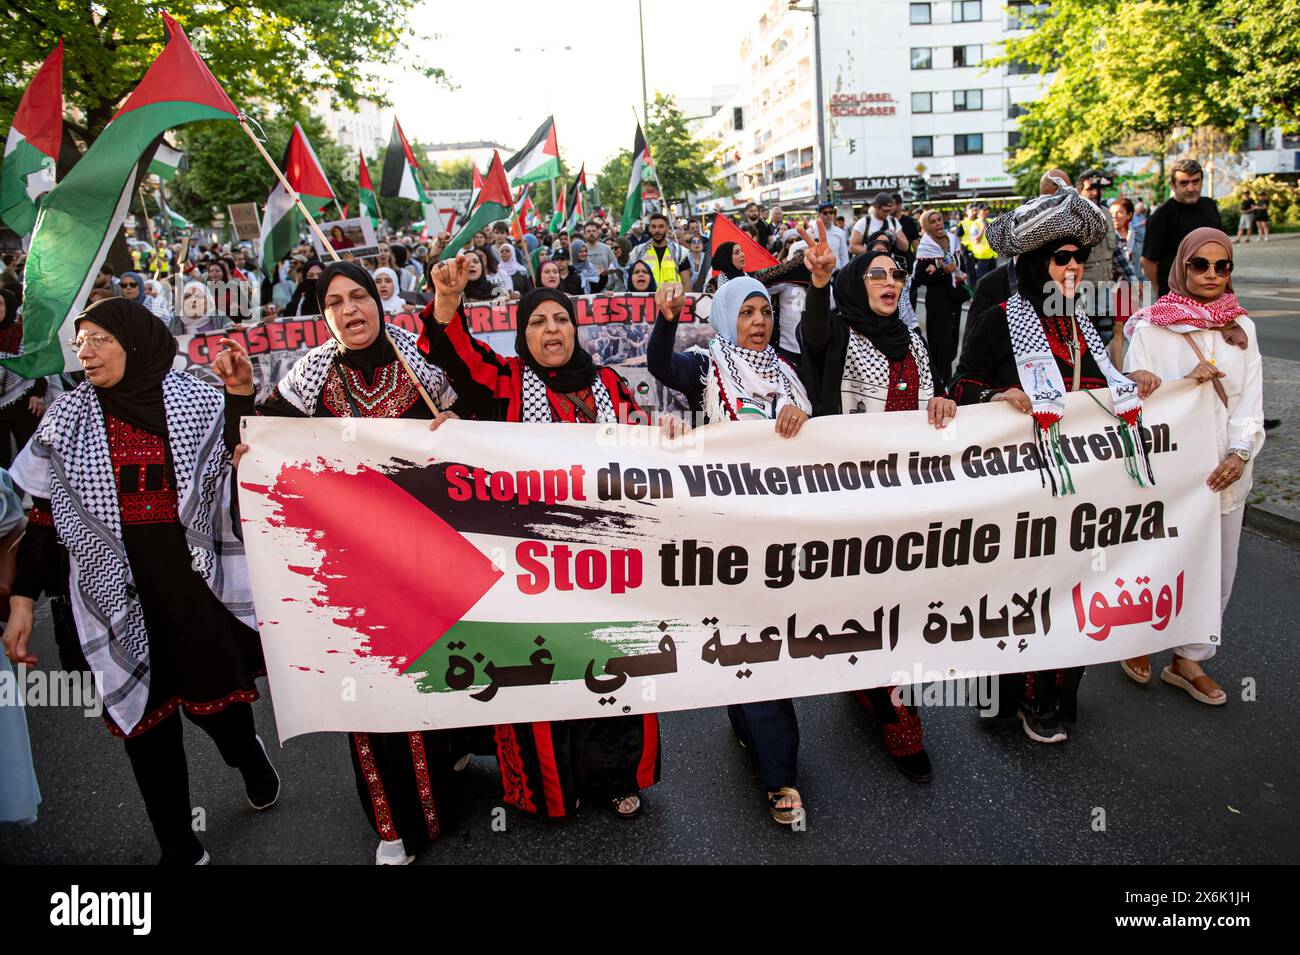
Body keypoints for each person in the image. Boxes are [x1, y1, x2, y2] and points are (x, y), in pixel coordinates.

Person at [5, 298, 277, 865]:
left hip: (190, 590)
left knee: (217, 709)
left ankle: (247, 757)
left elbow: (240, 454)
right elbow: (43, 516)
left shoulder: (195, 397)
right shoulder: (66, 419)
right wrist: (24, 601)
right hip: (110, 596)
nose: (85, 351)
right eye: (80, 341)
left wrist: (241, 396)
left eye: (100, 338)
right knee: (144, 725)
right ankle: (178, 844)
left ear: (135, 340)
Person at [214, 262, 462, 865]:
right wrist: (241, 400)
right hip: (349, 563)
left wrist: (457, 427)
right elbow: (258, 444)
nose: (351, 310)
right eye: (334, 302)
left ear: (380, 300)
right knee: (370, 695)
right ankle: (391, 826)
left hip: (427, 554)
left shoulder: (421, 366)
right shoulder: (309, 376)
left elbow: (476, 424)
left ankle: (439, 798)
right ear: (322, 314)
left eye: (360, 296)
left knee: (430, 678)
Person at [419, 256, 661, 821]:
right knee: (546, 670)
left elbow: (642, 448)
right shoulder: (506, 383)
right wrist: (448, 302)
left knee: (610, 665)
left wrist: (661, 432)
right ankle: (557, 785)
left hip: (605, 562)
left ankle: (615, 777)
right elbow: (458, 357)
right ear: (523, 335)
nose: (551, 330)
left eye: (560, 319)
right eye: (537, 322)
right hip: (530, 566)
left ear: (575, 329)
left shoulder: (609, 384)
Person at [948, 183, 1162, 744]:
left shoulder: (1083, 323)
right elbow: (962, 383)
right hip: (1021, 491)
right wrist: (993, 398)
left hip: (1081, 488)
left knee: (1074, 588)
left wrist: (1133, 383)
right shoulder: (998, 318)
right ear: (1040, 262)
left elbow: (1102, 388)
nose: (1073, 267)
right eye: (1061, 258)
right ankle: (1019, 697)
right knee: (1026, 593)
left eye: (1078, 258)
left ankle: (1051, 691)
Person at [647, 276, 811, 824]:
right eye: (747, 313)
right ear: (723, 319)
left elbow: (819, 439)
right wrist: (667, 320)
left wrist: (801, 418)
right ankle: (777, 768)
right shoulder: (706, 367)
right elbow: (660, 367)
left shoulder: (789, 373)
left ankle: (766, 749)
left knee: (764, 644)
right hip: (726, 535)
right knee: (750, 642)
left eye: (765, 312)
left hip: (782, 532)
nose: (759, 322)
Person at [795, 230, 955, 783]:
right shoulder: (839, 328)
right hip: (855, 501)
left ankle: (872, 686)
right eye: (877, 274)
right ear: (854, 286)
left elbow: (938, 396)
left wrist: (943, 400)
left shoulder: (913, 338)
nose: (891, 282)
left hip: (914, 500)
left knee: (905, 603)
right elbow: (813, 336)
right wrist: (819, 285)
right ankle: (896, 715)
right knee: (869, 602)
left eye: (895, 274)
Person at [1119, 228, 1263, 705]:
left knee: (1218, 568)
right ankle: (1135, 639)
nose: (1212, 275)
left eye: (1223, 266)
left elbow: (1249, 402)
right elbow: (1133, 404)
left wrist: (1240, 453)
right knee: (1156, 560)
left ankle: (1188, 658)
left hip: (1225, 473)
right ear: (1183, 266)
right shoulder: (1151, 328)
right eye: (1201, 264)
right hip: (1169, 473)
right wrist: (1184, 381)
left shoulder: (1241, 326)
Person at [1141, 159, 1222, 296]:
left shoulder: (1210, 206)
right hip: (1176, 293)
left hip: (1212, 289)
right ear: (1173, 185)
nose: (1191, 188)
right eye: (1184, 183)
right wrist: (1159, 290)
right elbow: (1148, 261)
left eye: (1195, 182)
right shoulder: (1161, 216)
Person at [913, 209, 969, 384]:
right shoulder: (925, 247)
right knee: (940, 342)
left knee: (952, 341)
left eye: (939, 220)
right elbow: (920, 276)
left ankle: (945, 376)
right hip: (937, 300)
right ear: (926, 226)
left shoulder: (953, 241)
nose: (938, 224)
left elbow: (960, 265)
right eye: (933, 221)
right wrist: (941, 271)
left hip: (954, 298)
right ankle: (942, 383)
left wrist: (960, 274)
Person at [0, 289, 48, 469]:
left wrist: (37, 394)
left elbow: (39, 367)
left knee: (28, 459)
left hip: (24, 403)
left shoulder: (24, 333)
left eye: (0, 304)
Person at [636, 212, 691, 288]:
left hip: (673, 299)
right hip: (647, 299)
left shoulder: (680, 252)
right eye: (654, 227)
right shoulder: (638, 251)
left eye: (661, 226)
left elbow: (687, 283)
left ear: (667, 228)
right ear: (649, 229)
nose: (657, 230)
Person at [810, 201, 850, 268]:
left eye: (831, 212)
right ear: (819, 214)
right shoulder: (811, 232)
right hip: (818, 272)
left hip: (836, 271)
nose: (829, 215)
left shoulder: (840, 232)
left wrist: (845, 273)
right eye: (825, 213)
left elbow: (844, 255)